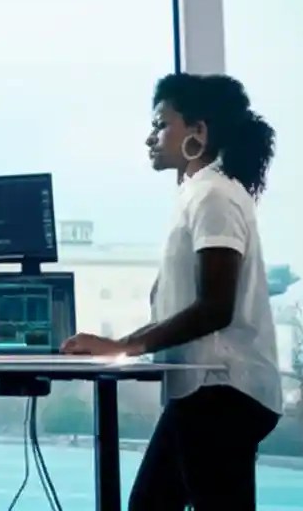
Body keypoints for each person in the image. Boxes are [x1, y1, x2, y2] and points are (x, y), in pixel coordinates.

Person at [61, 72, 282, 511]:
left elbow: (215, 308)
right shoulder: (201, 193)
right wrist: (117, 347)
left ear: (197, 133)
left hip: (222, 390)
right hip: (208, 391)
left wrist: (122, 346)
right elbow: (191, 306)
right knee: (149, 505)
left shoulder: (214, 196)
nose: (150, 137)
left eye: (161, 124)